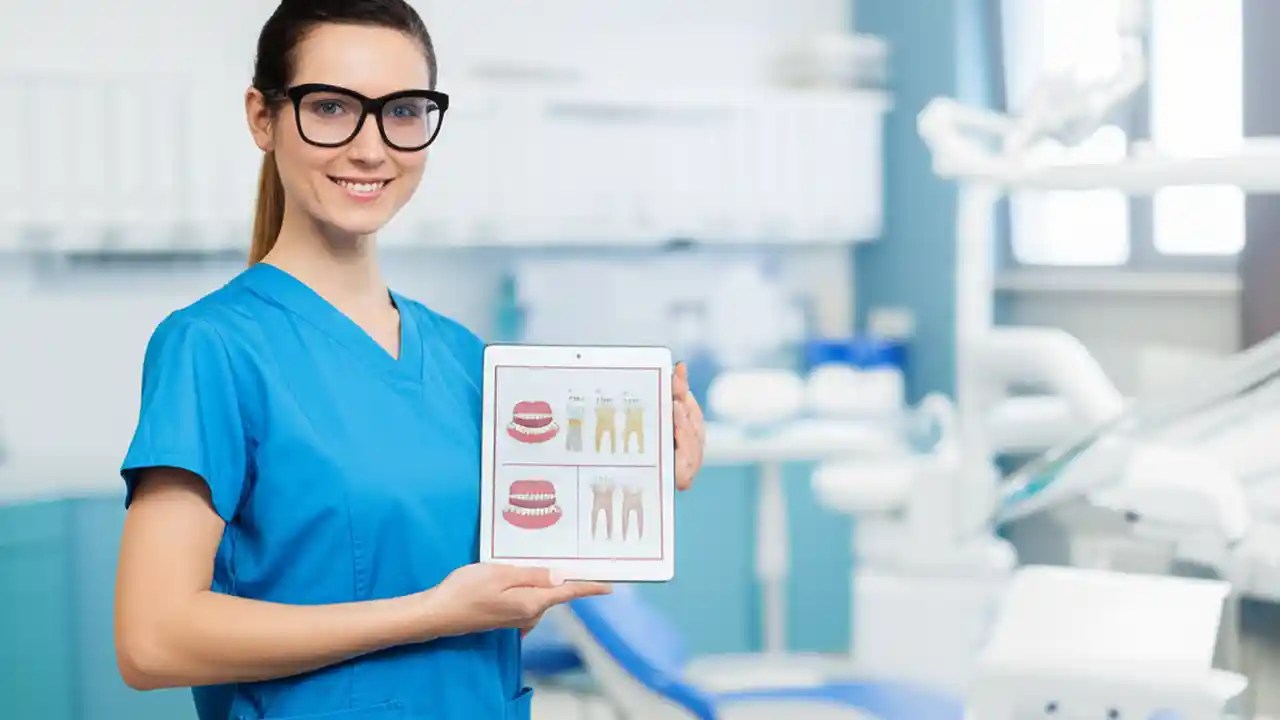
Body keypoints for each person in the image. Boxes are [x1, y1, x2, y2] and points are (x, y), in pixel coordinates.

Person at [112, 2, 708, 719]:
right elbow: (152, 641)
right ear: (262, 118)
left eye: (402, 111)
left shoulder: (464, 359)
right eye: (330, 108)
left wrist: (634, 475)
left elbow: (506, 601)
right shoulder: (213, 347)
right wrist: (430, 613)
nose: (371, 148)